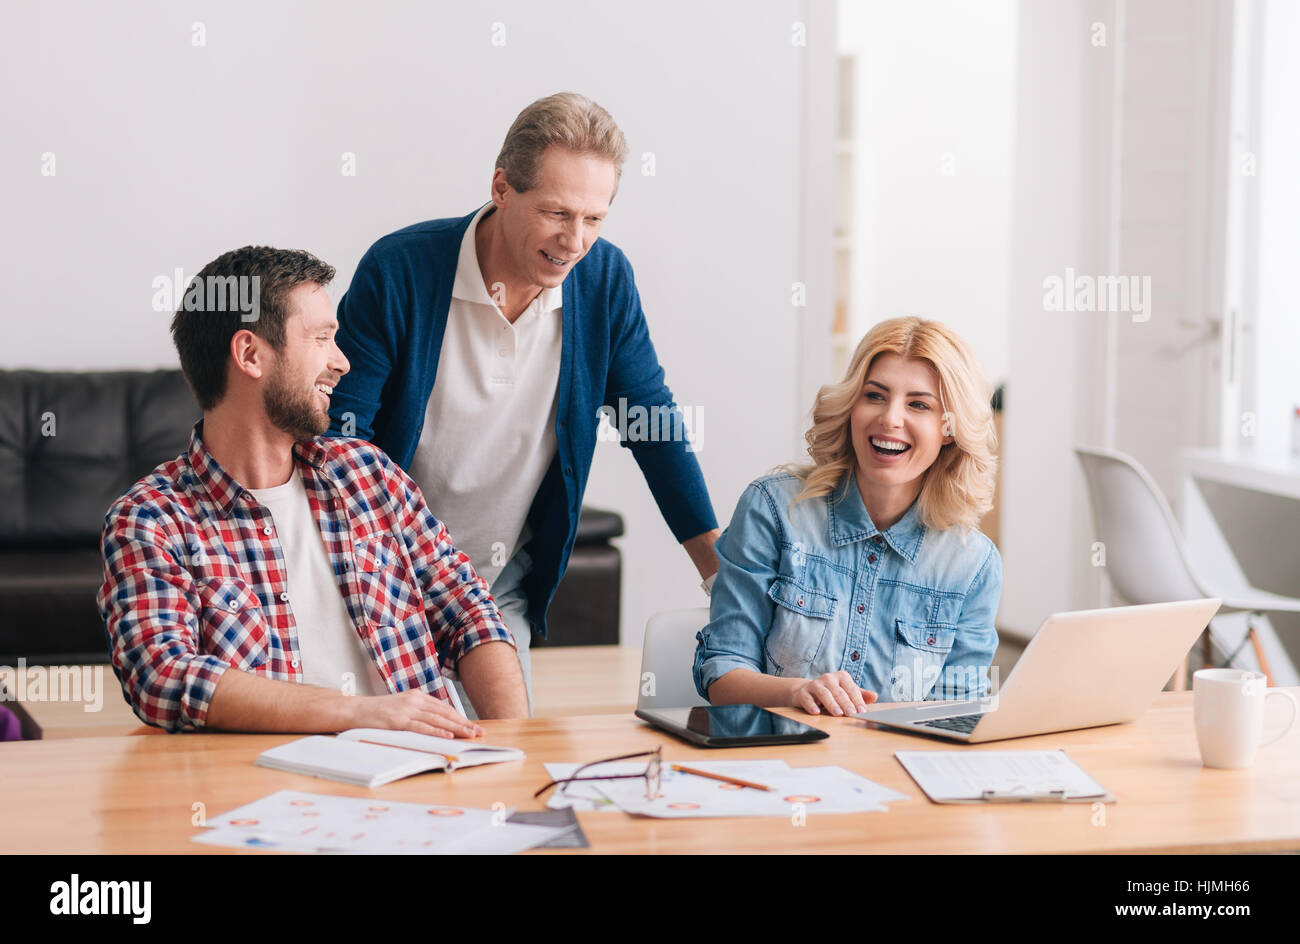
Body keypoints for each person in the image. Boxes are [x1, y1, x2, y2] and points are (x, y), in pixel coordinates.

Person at [328, 92, 720, 714]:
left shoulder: (603, 281)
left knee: (506, 755)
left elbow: (652, 424)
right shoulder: (401, 269)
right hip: (379, 568)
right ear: (502, 189)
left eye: (594, 219)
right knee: (390, 750)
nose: (574, 240)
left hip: (495, 579)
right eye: (556, 212)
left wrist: (717, 575)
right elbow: (339, 440)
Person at [98, 246, 528, 734]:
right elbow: (163, 676)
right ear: (250, 355)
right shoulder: (150, 520)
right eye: (322, 338)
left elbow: (469, 612)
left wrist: (516, 741)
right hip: (265, 778)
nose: (341, 363)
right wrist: (360, 713)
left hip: (425, 769)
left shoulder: (369, 475)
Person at [694, 316, 1001, 715]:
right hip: (777, 750)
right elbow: (722, 671)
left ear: (949, 429)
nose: (890, 418)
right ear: (852, 405)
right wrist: (795, 692)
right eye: (874, 395)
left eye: (918, 404)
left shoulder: (973, 564)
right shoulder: (772, 509)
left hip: (893, 756)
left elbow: (959, 711)